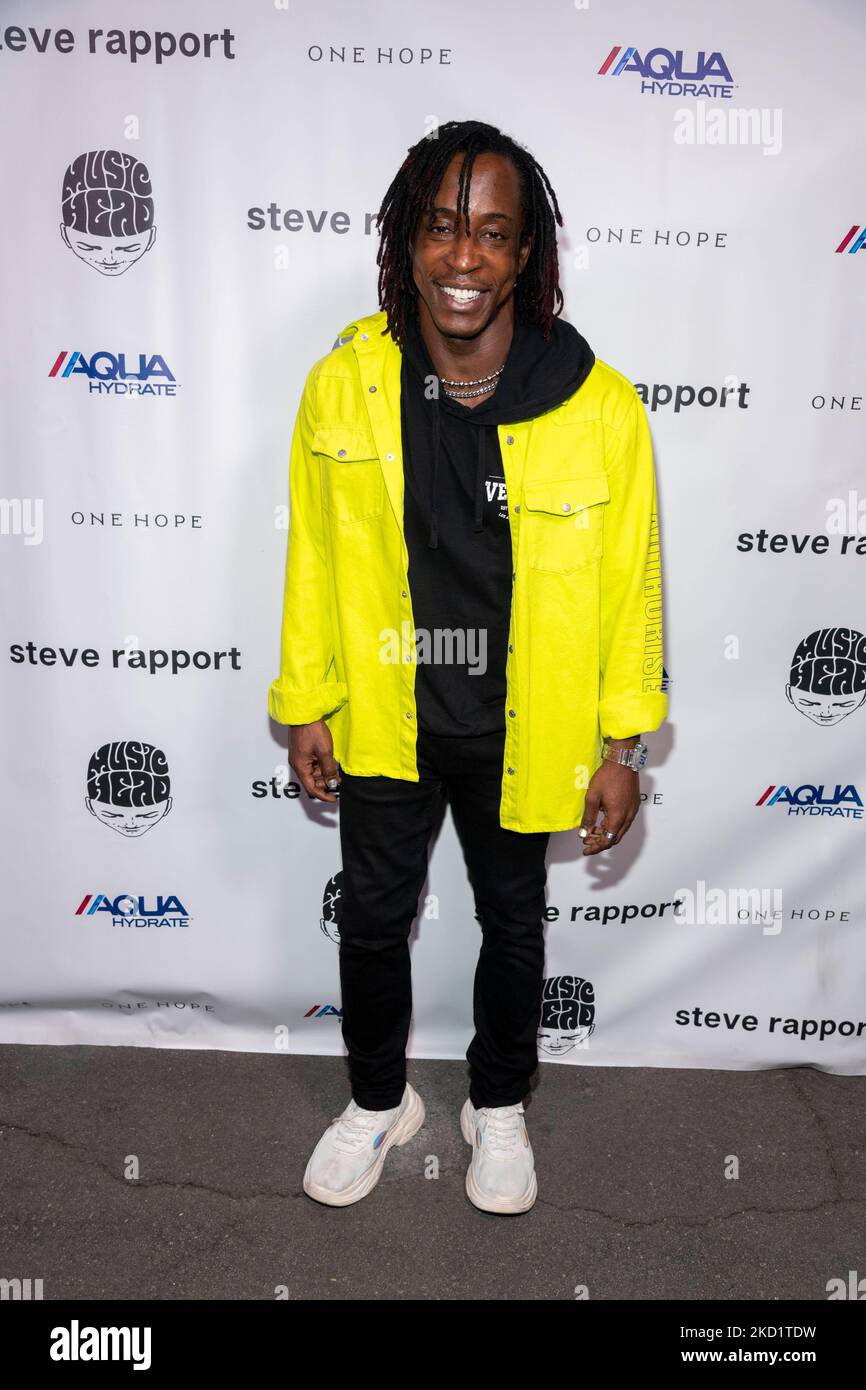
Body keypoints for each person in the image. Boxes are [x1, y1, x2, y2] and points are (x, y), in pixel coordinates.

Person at [268, 119, 668, 1215]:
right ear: (405, 238)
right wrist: (308, 703)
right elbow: (310, 555)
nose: (461, 258)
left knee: (515, 922)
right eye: (441, 227)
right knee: (366, 920)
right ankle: (375, 1100)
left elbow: (631, 587)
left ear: (525, 254)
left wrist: (620, 745)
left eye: (491, 233)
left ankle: (497, 1105)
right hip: (389, 713)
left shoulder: (599, 407)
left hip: (520, 725)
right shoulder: (344, 386)